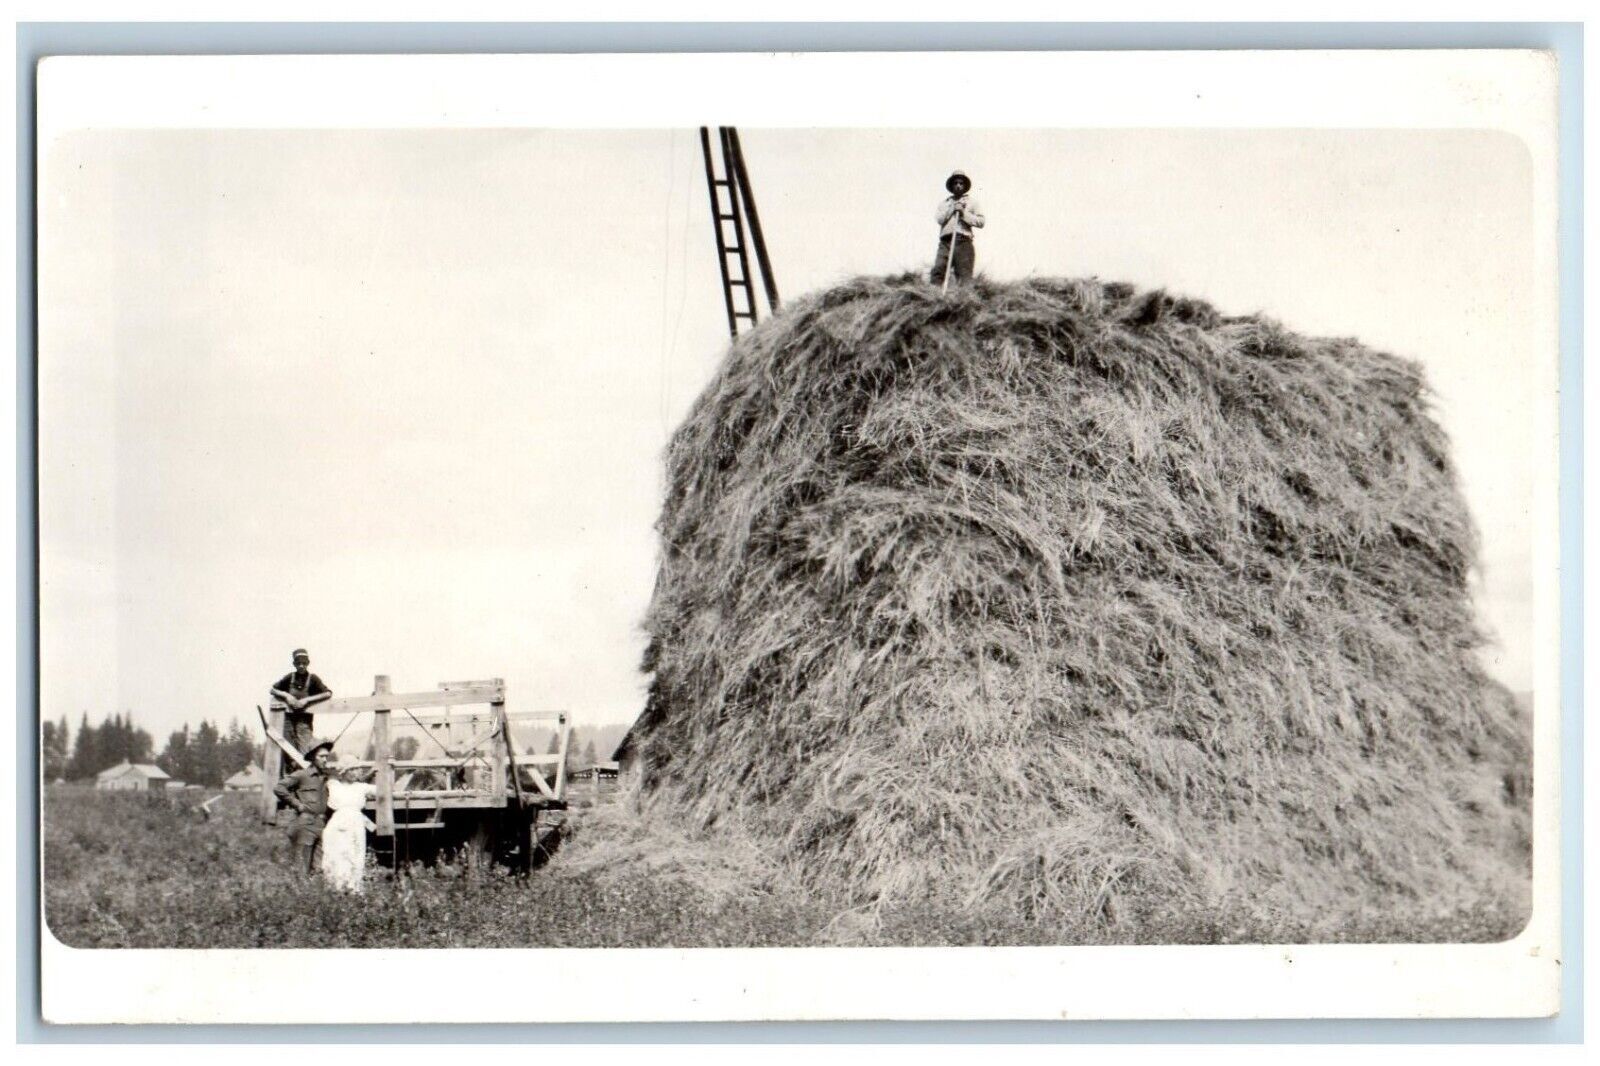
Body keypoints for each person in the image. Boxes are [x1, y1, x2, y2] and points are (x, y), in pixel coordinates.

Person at [273, 739, 335, 874]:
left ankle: (314, 893)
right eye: (321, 756)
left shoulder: (327, 777)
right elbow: (279, 787)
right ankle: (299, 894)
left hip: (322, 824)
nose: (325, 760)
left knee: (319, 868)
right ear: (313, 757)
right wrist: (297, 805)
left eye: (326, 756)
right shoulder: (302, 775)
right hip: (306, 824)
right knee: (302, 867)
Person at [320, 754, 377, 893]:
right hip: (338, 823)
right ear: (344, 772)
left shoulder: (362, 787)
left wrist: (376, 772)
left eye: (357, 769)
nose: (356, 772)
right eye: (352, 769)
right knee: (338, 854)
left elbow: (382, 791)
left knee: (355, 853)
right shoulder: (333, 785)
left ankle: (353, 888)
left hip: (356, 822)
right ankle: (337, 888)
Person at [269, 648, 333, 756]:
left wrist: (307, 700)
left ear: (308, 663)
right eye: (298, 663)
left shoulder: (313, 679)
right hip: (288, 721)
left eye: (304, 663)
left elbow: (328, 693)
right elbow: (273, 689)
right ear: (294, 664)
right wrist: (286, 695)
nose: (301, 666)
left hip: (304, 721)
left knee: (305, 752)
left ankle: (306, 771)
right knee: (288, 750)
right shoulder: (290, 677)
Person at [930, 170, 985, 289]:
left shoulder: (972, 202)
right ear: (952, 186)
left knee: (964, 276)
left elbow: (981, 222)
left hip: (963, 242)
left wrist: (963, 213)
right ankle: (933, 300)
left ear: (965, 186)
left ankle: (964, 303)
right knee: (938, 271)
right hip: (945, 242)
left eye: (961, 183)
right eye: (955, 183)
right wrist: (952, 209)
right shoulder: (945, 203)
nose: (958, 185)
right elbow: (939, 219)